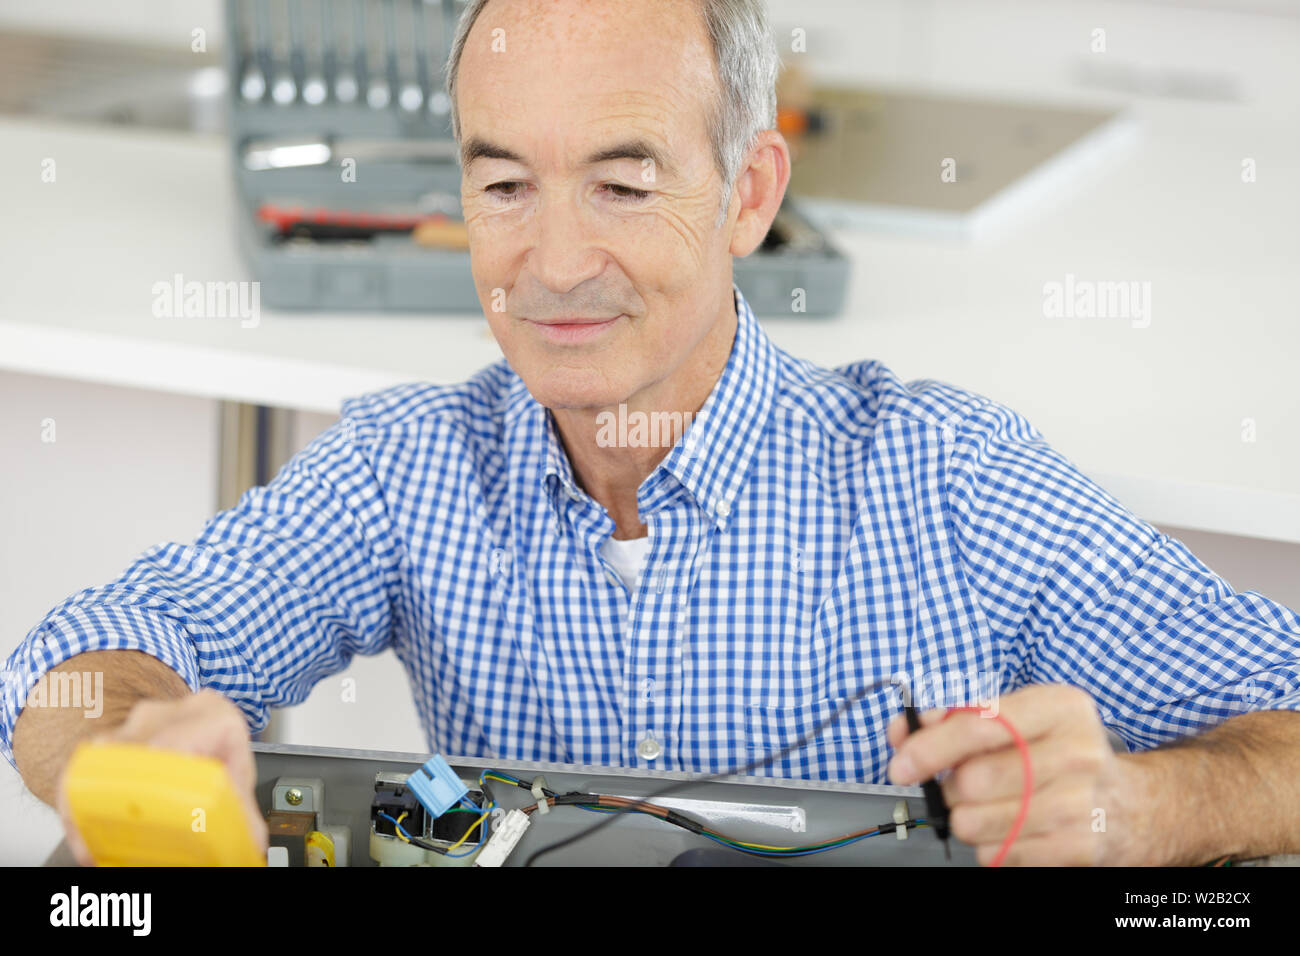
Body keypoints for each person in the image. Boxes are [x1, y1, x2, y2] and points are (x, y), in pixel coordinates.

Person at [6, 0, 1299, 866]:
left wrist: (1144, 805)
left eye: (623, 185)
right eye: (504, 183)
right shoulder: (410, 472)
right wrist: (126, 749)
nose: (555, 262)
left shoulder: (944, 484)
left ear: (747, 193)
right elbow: (62, 670)